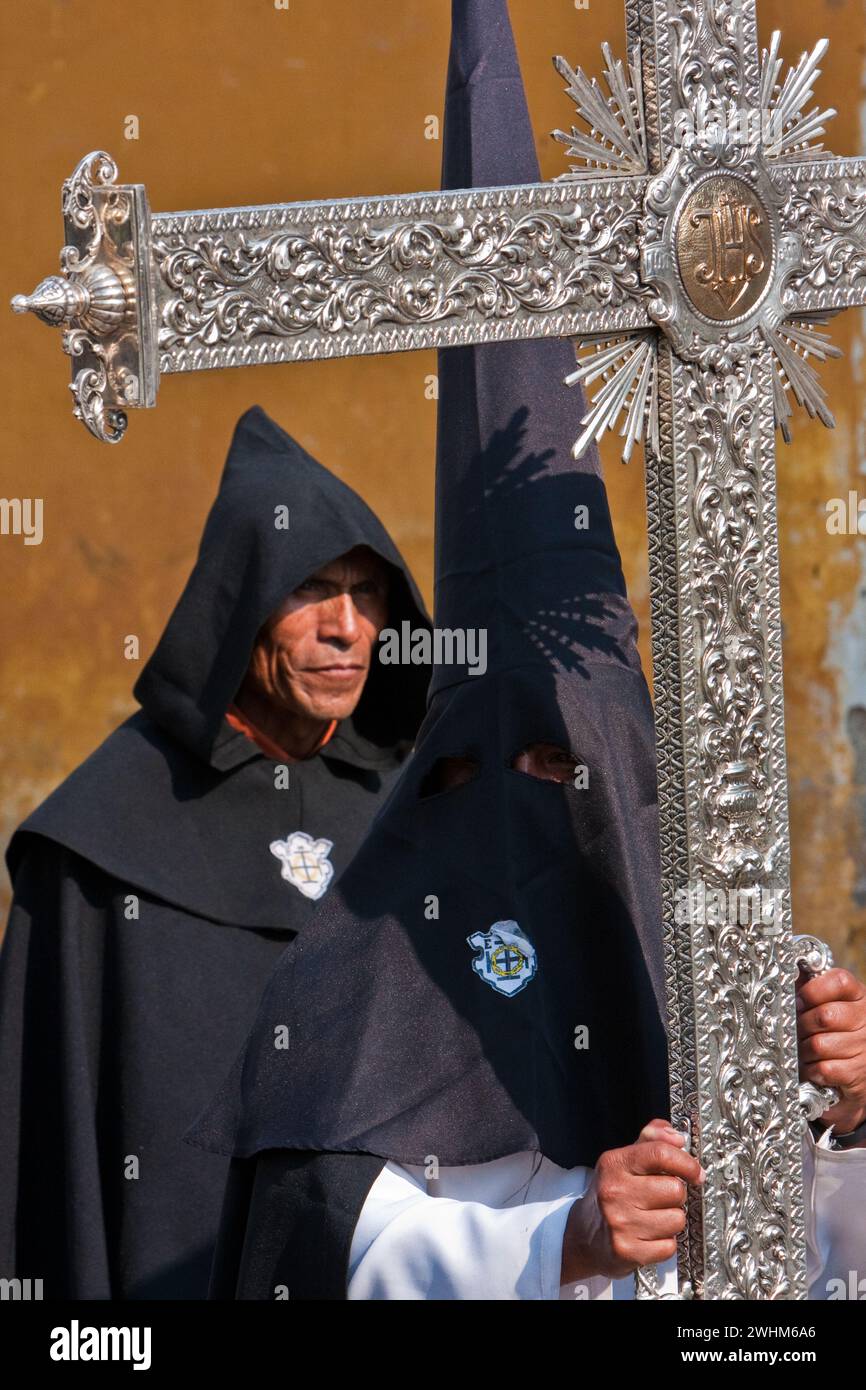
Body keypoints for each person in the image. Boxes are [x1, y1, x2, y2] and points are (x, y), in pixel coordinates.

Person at [189, 1, 866, 1301]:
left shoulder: (739, 966)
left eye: (571, 766)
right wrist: (560, 1243)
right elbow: (321, 1253)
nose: (519, 799)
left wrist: (845, 1116)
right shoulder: (345, 988)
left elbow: (815, 1267)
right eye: (472, 768)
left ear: (639, 785)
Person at [0, 404, 430, 1299]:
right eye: (311, 589)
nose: (347, 627)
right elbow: (49, 1163)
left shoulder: (414, 820)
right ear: (238, 604)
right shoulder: (95, 845)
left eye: (368, 592)